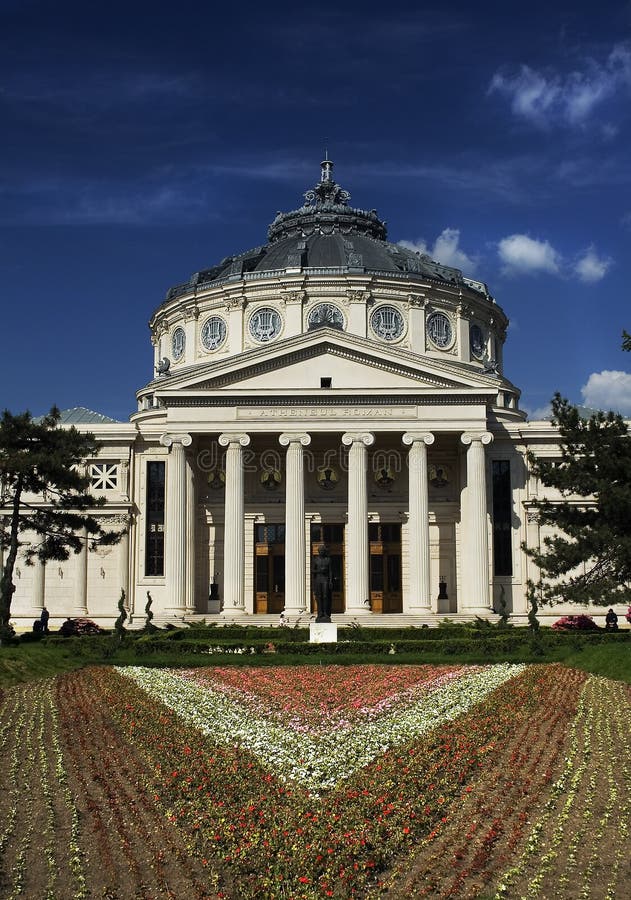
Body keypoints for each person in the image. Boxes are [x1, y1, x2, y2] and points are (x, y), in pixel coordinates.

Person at [312, 545, 333, 622]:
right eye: (320, 551)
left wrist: (330, 581)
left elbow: (330, 571)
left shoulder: (328, 560)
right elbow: (312, 571)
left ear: (324, 552)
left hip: (325, 579)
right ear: (318, 552)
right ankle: (320, 613)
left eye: (323, 551)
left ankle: (326, 613)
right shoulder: (315, 560)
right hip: (318, 579)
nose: (321, 552)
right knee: (319, 597)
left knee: (325, 596)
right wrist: (320, 571)